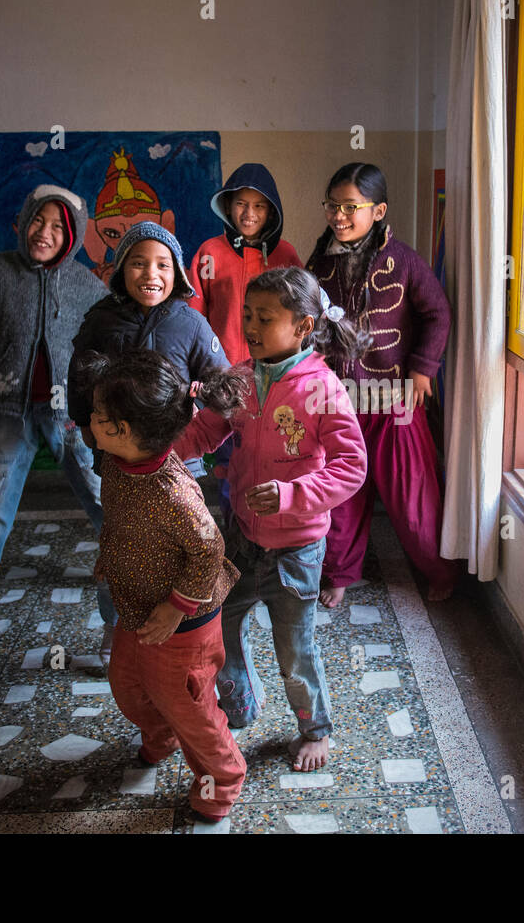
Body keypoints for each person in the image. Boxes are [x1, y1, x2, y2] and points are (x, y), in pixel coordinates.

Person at [175, 267, 368, 772]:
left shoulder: (323, 388)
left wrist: (291, 494)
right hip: (239, 536)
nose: (252, 326)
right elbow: (205, 432)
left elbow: (352, 467)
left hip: (296, 550)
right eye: (247, 315)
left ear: (304, 326)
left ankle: (315, 729)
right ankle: (239, 697)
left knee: (295, 649)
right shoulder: (241, 377)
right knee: (219, 624)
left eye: (265, 317)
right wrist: (158, 456)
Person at [77, 348, 249, 824]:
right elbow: (119, 517)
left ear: (122, 430)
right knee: (129, 686)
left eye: (97, 415)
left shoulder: (172, 491)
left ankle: (224, 776)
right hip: (135, 604)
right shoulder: (115, 462)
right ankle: (164, 735)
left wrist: (176, 606)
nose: (89, 420)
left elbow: (209, 549)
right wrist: (110, 558)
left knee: (189, 705)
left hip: (184, 621)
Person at [0, 184, 109, 618]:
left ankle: (117, 564)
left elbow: (113, 327)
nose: (44, 232)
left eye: (57, 226)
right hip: (9, 410)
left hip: (72, 414)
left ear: (71, 237)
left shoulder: (85, 283)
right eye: (37, 220)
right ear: (22, 222)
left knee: (104, 493)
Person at [68, 221, 230, 662]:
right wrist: (90, 431)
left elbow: (222, 381)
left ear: (177, 273)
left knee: (184, 541)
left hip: (179, 459)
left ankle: (186, 620)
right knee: (120, 541)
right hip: (117, 460)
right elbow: (79, 382)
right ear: (121, 270)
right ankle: (117, 622)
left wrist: (204, 406)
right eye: (137, 263)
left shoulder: (191, 323)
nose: (149, 273)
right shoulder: (99, 321)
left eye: (161, 264)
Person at [305, 163, 458, 607]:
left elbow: (438, 313)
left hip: (394, 400)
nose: (339, 215)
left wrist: (423, 369)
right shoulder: (320, 261)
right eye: (333, 206)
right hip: (338, 400)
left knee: (413, 497)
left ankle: (438, 568)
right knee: (341, 495)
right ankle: (338, 573)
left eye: (351, 206)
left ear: (379, 210)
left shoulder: (405, 260)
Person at [188, 164, 303, 520]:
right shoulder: (209, 252)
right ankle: (237, 535)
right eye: (240, 203)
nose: (249, 214)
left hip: (276, 380)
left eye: (259, 206)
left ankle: (271, 538)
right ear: (227, 206)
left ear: (272, 212)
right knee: (229, 466)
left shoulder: (286, 255)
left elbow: (302, 321)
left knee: (276, 459)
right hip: (224, 379)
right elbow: (193, 318)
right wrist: (197, 377)